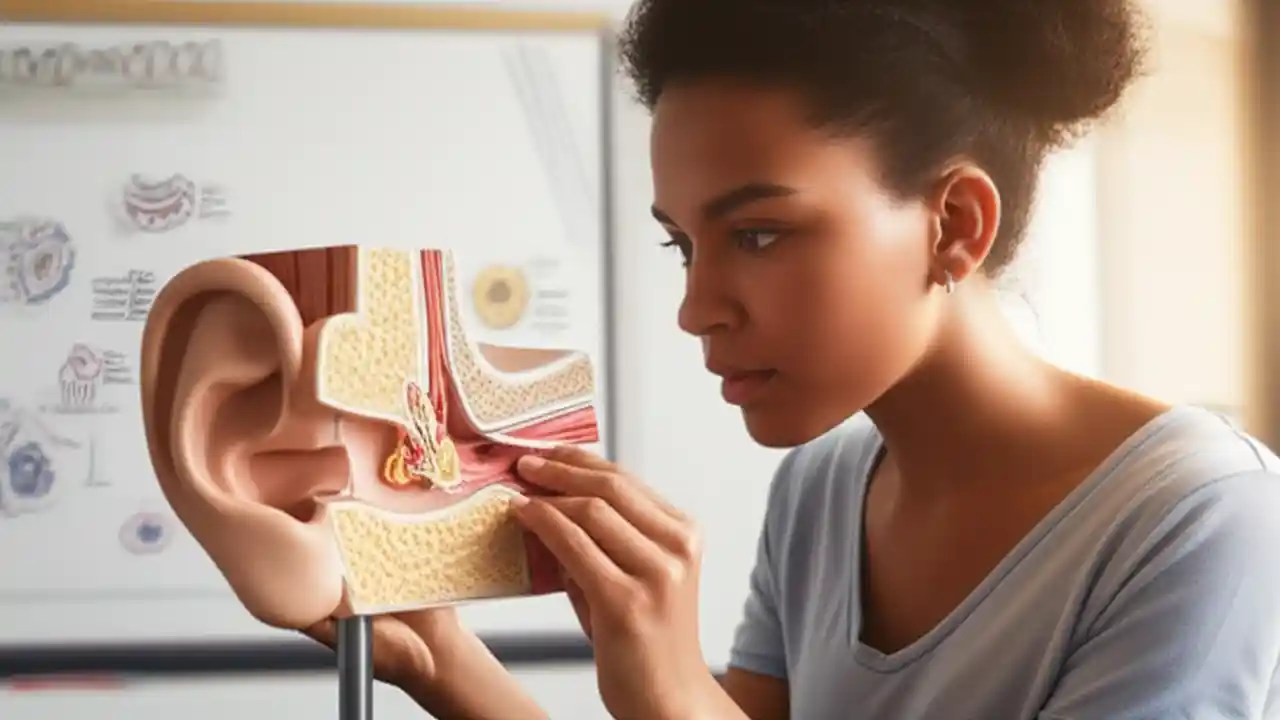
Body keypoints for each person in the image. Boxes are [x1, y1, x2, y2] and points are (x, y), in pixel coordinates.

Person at [304, 0, 1280, 717]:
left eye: (759, 235)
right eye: (682, 246)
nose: (696, 309)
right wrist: (441, 663)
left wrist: (673, 691)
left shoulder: (1200, 521)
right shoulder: (822, 489)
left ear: (953, 223)